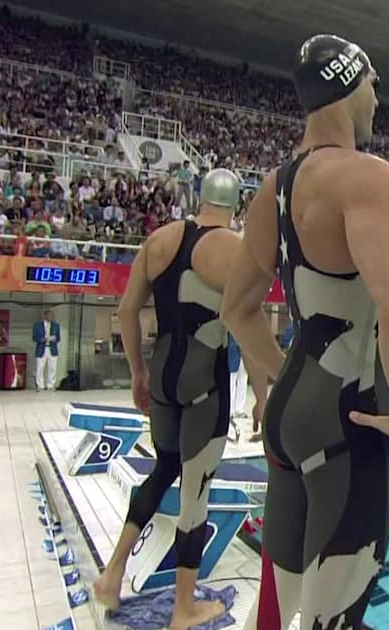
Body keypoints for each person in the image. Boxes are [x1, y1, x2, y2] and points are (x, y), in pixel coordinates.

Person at [221, 34, 389, 629]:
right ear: (348, 83)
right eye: (373, 85)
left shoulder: (274, 187)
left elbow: (237, 309)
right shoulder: (365, 177)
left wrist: (279, 380)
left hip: (292, 413)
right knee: (332, 618)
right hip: (350, 416)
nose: (377, 101)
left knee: (282, 612)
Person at [91, 168, 268, 630]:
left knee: (164, 468)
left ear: (199, 197)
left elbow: (127, 310)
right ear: (237, 205)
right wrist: (263, 395)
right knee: (196, 492)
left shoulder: (159, 240)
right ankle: (184, 607)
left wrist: (137, 372)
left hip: (164, 377)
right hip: (202, 384)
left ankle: (111, 576)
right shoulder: (233, 248)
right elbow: (248, 325)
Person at [32, 309, 61, 392]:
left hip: (52, 349)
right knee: (40, 368)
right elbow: (34, 337)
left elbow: (58, 338)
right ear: (45, 316)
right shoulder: (37, 325)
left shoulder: (56, 325)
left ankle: (51, 385)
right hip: (42, 348)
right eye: (49, 315)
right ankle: (40, 385)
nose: (51, 317)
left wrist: (54, 339)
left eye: (52, 315)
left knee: (52, 368)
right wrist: (42, 339)